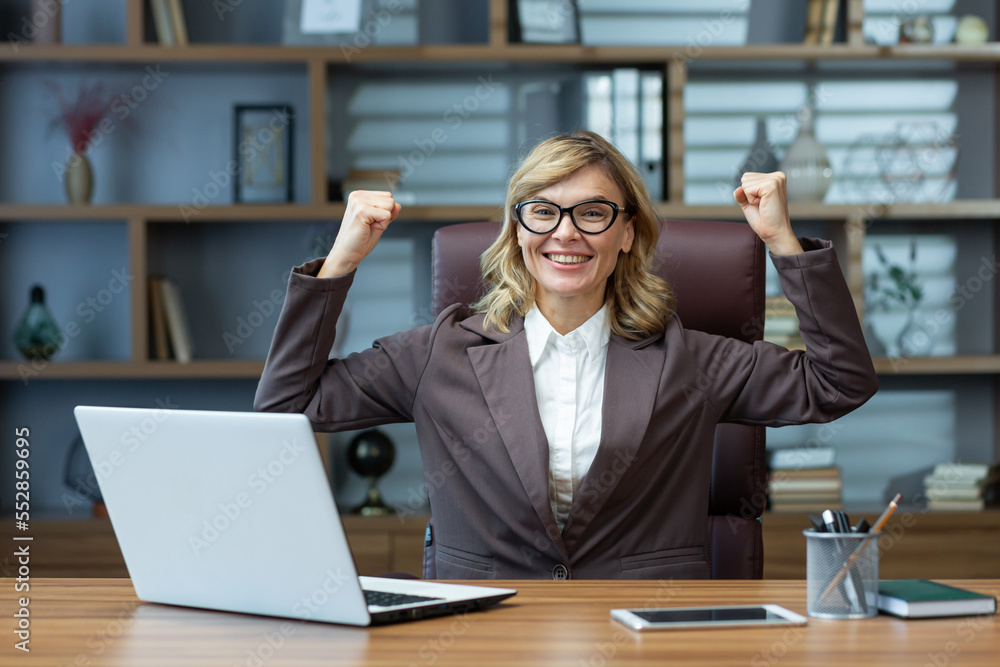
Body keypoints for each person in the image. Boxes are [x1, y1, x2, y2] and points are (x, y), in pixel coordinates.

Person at [255, 131, 878, 580]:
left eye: (593, 213)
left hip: (644, 635)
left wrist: (783, 243)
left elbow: (839, 382)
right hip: (487, 634)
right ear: (518, 228)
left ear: (627, 232)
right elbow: (289, 401)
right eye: (544, 211)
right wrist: (340, 263)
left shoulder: (687, 359)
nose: (566, 232)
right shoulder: (441, 352)